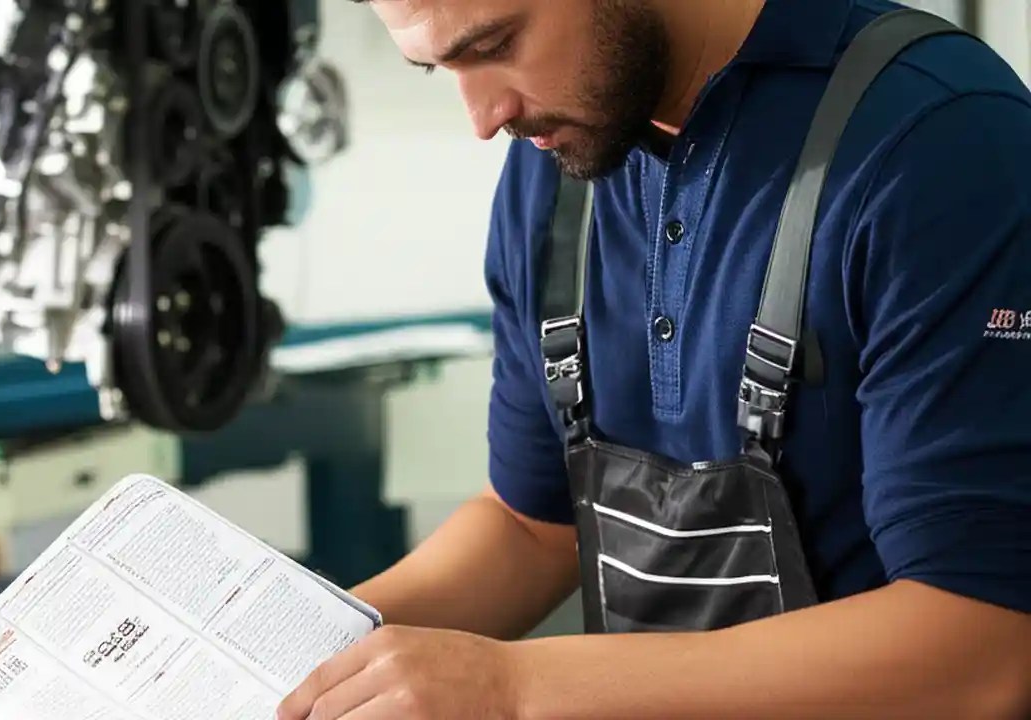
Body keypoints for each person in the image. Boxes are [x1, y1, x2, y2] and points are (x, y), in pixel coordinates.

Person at [276, 1, 1031, 718]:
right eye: (436, 68)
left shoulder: (940, 145)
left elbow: (984, 651)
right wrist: (297, 654)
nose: (483, 117)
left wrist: (511, 688)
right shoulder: (561, 159)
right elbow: (532, 526)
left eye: (495, 45)